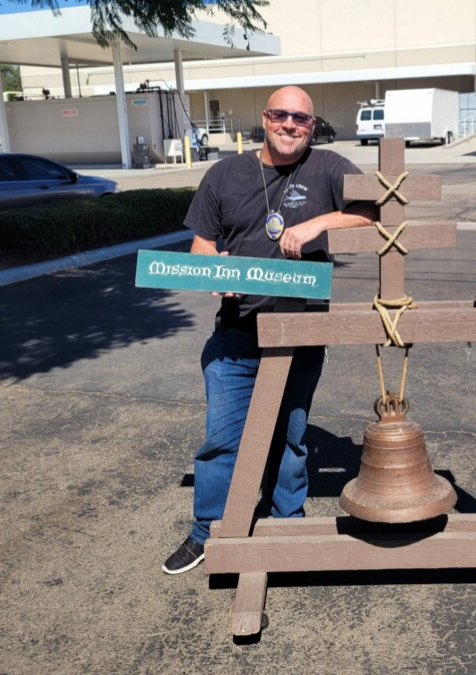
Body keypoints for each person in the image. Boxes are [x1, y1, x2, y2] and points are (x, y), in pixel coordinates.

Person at [162, 86, 374, 574]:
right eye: (281, 115)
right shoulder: (225, 174)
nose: (290, 125)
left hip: (301, 328)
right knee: (222, 437)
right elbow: (201, 244)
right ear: (265, 118)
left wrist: (319, 224)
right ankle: (206, 532)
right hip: (237, 331)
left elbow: (374, 212)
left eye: (302, 119)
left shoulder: (328, 168)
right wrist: (214, 269)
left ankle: (288, 524)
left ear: (312, 126)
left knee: (291, 436)